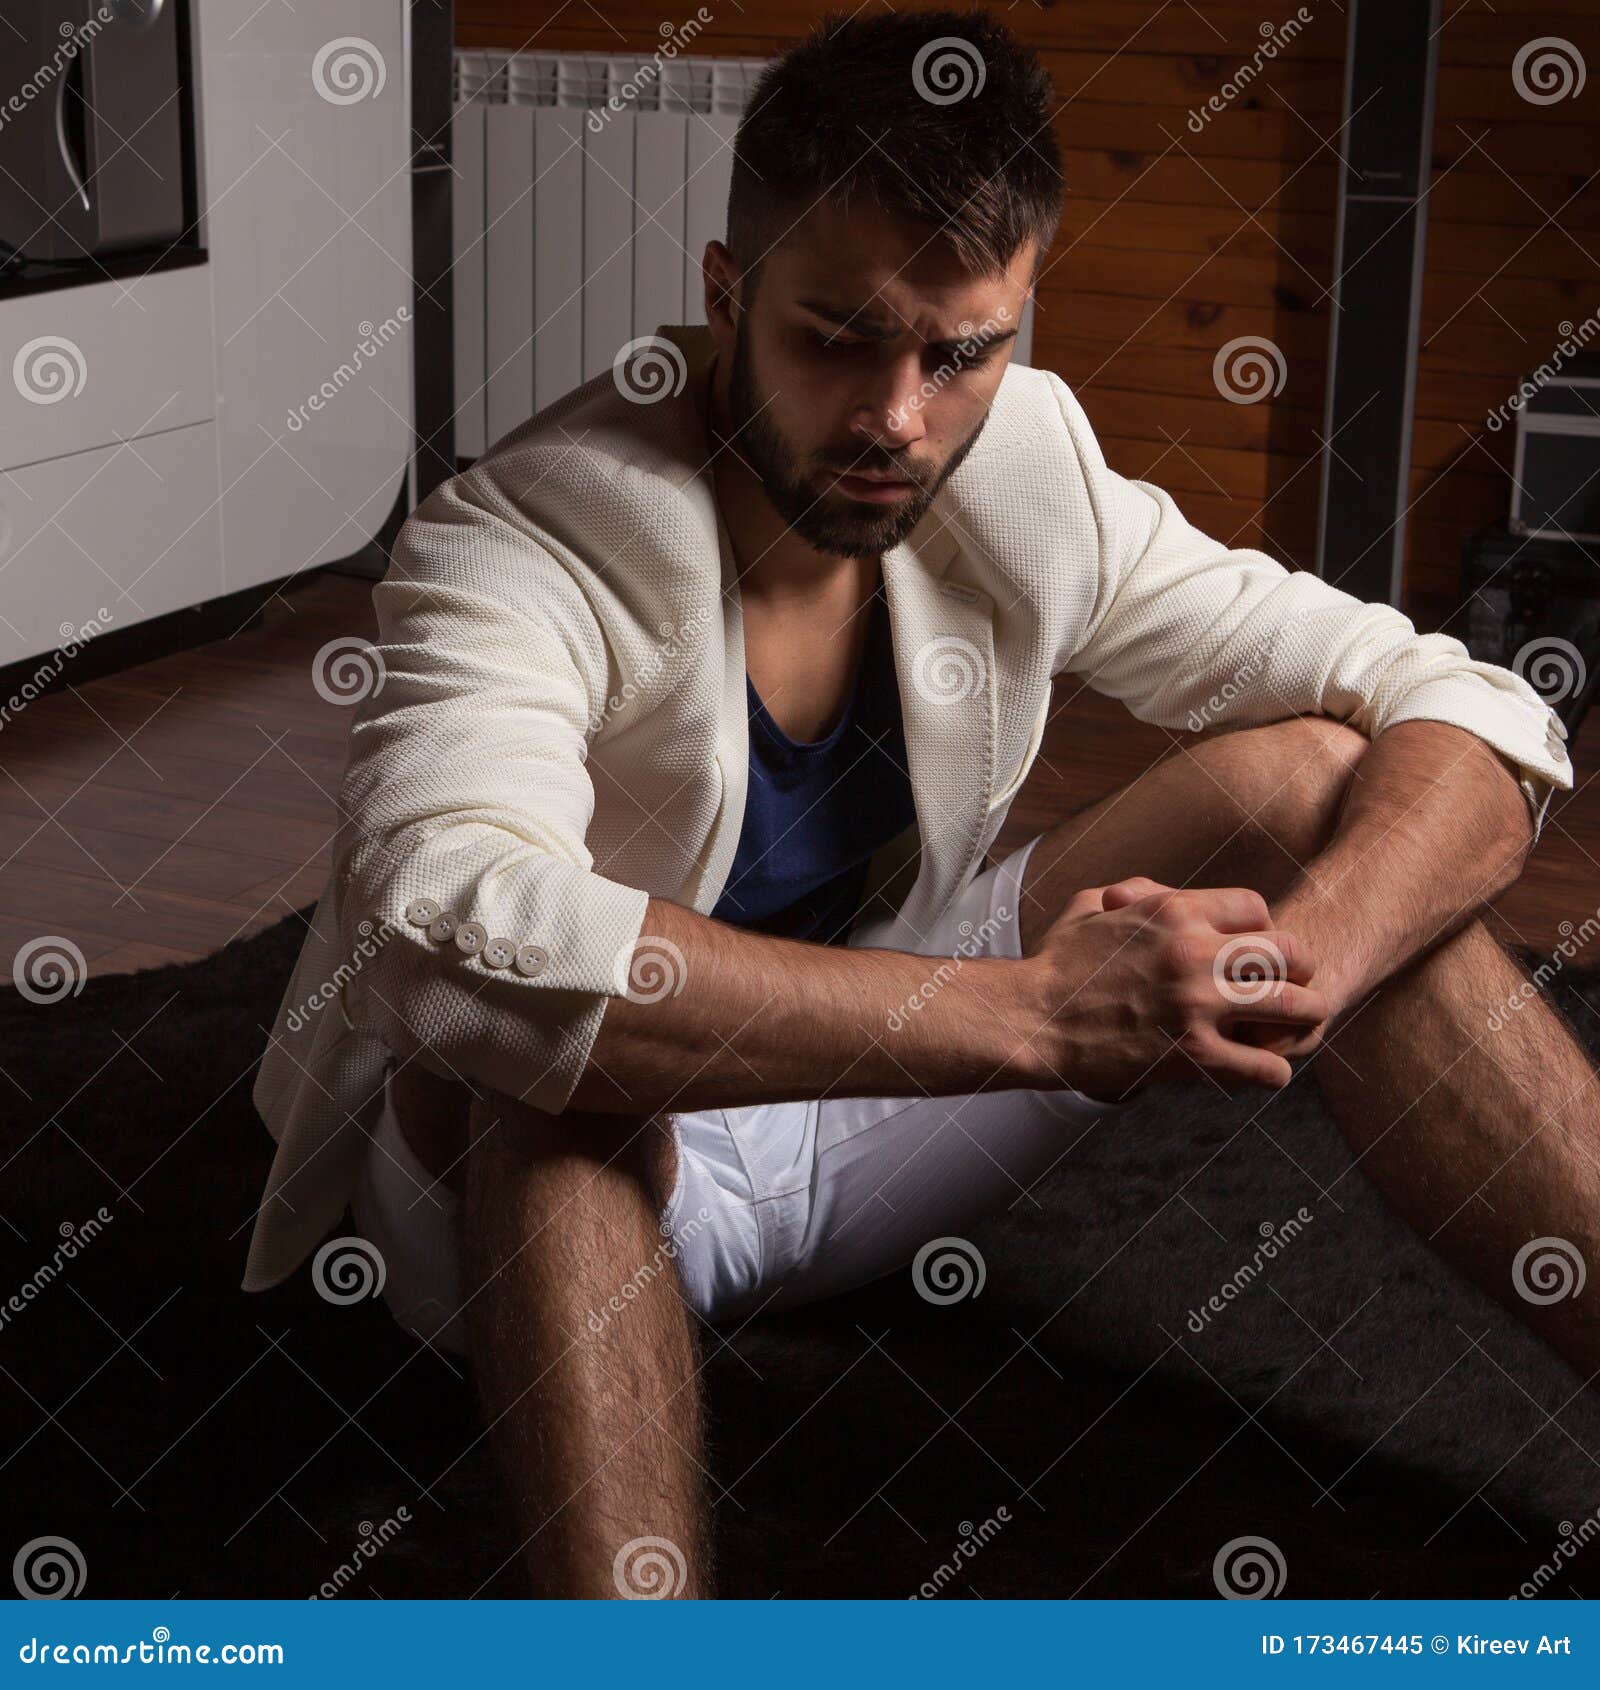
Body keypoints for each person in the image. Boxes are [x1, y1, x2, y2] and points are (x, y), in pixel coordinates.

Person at [242, 9, 1589, 1599]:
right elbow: (455, 933)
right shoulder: (522, 541)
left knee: (1323, 787)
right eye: (838, 338)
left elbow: (1466, 704)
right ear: (727, 295)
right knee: (552, 1049)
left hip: (856, 1105)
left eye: (961, 352)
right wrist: (1026, 1016)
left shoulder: (1023, 463)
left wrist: (1325, 958)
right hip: (552, 1188)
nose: (899, 414)